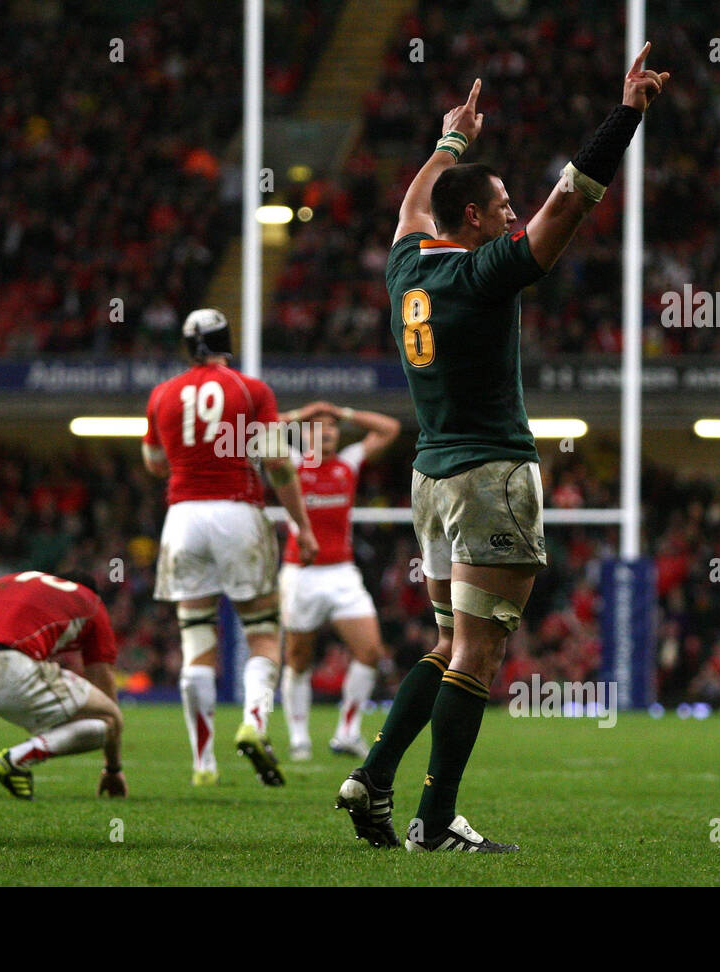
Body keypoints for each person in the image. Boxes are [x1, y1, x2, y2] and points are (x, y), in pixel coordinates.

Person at [337, 46, 670, 852]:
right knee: (478, 656)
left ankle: (374, 775)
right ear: (478, 219)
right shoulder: (484, 275)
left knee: (451, 644)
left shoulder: (407, 267)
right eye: (504, 204)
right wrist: (625, 115)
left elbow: (415, 202)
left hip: (431, 480)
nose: (517, 213)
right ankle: (433, 819)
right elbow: (572, 200)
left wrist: (451, 140)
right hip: (491, 476)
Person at [142, 307, 319, 786]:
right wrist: (302, 524)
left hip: (182, 518)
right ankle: (254, 724)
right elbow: (278, 463)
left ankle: (203, 762)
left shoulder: (162, 394)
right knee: (263, 632)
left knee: (196, 639)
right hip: (238, 512)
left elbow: (154, 462)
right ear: (228, 342)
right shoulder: (252, 391)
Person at [0, 570, 126, 800]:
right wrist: (113, 767)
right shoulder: (91, 602)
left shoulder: (9, 580)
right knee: (110, 719)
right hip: (10, 672)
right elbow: (103, 681)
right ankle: (16, 760)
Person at [277, 400, 400, 760]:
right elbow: (257, 429)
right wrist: (303, 412)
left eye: (332, 426)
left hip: (342, 574)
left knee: (370, 651)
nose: (327, 431)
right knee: (298, 658)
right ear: (304, 434)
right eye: (318, 426)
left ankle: (347, 732)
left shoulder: (348, 461)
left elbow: (389, 428)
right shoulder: (293, 464)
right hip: (301, 574)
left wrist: (344, 412)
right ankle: (299, 738)